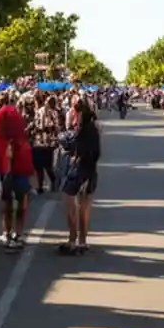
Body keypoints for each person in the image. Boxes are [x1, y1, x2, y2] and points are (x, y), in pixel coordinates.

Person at [0, 91, 34, 251]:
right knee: (20, 199)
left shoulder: (1, 114)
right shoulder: (16, 114)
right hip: (21, 159)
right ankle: (18, 233)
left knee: (7, 200)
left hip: (8, 161)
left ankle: (7, 233)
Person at [60, 100, 101, 255]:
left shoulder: (80, 132)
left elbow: (68, 143)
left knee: (70, 206)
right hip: (91, 172)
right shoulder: (94, 130)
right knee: (85, 209)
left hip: (78, 172)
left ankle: (72, 239)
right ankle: (83, 241)